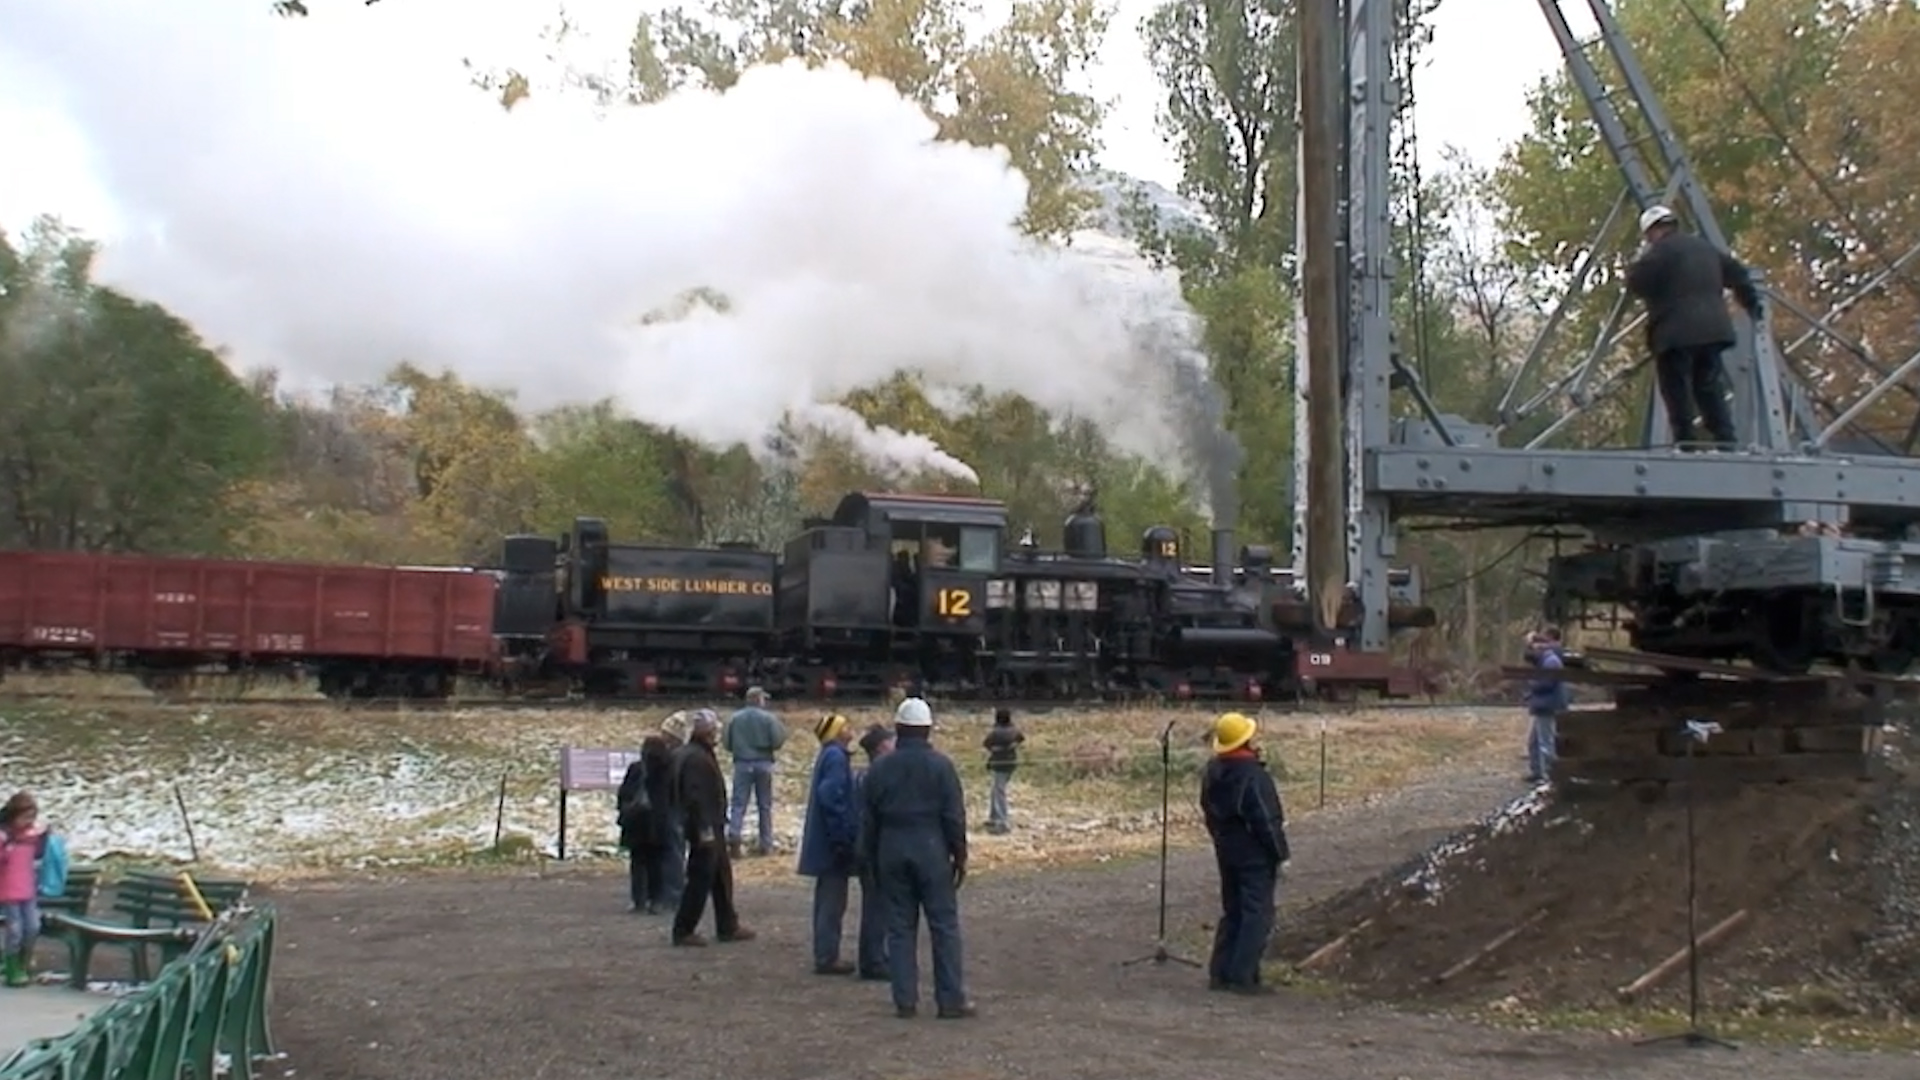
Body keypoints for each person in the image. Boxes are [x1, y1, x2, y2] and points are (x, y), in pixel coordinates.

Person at [860, 697, 974, 1019]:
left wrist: (868, 859)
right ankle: (950, 999)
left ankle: (905, 1000)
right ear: (927, 730)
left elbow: (868, 820)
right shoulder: (942, 765)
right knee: (944, 926)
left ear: (898, 728)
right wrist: (959, 854)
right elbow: (954, 816)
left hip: (891, 847)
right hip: (931, 846)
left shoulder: (880, 767)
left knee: (899, 927)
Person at [1624, 204, 1764, 449]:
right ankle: (1726, 441)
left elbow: (1638, 282)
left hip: (1675, 334)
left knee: (1676, 390)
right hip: (1713, 331)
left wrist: (1633, 268)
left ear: (1652, 232)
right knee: (1708, 387)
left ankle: (1686, 443)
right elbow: (1738, 273)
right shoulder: (1705, 248)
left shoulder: (1661, 252)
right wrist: (1752, 305)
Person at [1200, 712, 1288, 996]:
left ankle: (1221, 972)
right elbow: (1266, 819)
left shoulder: (1213, 771)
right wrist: (1280, 853)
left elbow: (1209, 813)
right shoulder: (1253, 776)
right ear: (1246, 741)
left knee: (1233, 910)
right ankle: (1242, 976)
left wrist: (1220, 840)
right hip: (1254, 854)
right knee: (1257, 913)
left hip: (1225, 849)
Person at [669, 711, 755, 947]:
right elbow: (696, 798)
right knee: (700, 877)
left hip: (708, 825)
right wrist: (704, 829)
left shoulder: (693, 754)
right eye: (714, 730)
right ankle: (684, 929)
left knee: (720, 876)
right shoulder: (697, 759)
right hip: (706, 827)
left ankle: (727, 923)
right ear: (707, 732)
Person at [797, 713, 860, 974]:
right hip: (831, 842)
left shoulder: (828, 755)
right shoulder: (836, 757)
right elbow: (831, 796)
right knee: (833, 901)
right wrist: (842, 836)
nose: (850, 729)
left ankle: (825, 953)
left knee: (827, 899)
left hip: (824, 841)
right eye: (845, 726)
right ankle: (827, 956)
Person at [617, 712, 690, 914]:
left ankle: (640, 899)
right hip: (658, 823)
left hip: (636, 823)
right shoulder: (669, 768)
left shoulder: (636, 769)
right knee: (661, 859)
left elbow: (624, 794)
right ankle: (661, 899)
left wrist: (623, 813)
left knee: (639, 862)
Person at [0, 792, 58, 988]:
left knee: (32, 926)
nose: (28, 822)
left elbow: (38, 854)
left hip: (27, 890)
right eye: (24, 818)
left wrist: (45, 838)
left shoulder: (31, 838)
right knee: (14, 929)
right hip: (8, 891)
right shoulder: (4, 837)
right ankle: (12, 966)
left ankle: (23, 963)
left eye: (32, 818)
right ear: (13, 816)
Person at [723, 686, 789, 857]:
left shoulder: (735, 718)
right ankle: (766, 844)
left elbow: (726, 743)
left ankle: (734, 837)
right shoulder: (769, 719)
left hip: (742, 764)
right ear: (759, 700)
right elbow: (777, 741)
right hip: (764, 763)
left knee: (738, 804)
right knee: (764, 805)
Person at [852, 723, 895, 981]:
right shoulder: (875, 776)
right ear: (881, 747)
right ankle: (873, 960)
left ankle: (875, 956)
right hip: (873, 849)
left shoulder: (866, 775)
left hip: (868, 847)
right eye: (891, 741)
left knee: (876, 906)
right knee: (876, 907)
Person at [1524, 628, 1572, 784]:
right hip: (1543, 704)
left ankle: (1552, 775)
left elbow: (1547, 683)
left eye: (1533, 645)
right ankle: (1538, 772)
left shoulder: (1550, 661)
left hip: (1547, 705)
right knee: (1535, 742)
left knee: (1546, 742)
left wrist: (1532, 684)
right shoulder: (1545, 660)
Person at [981, 706, 1025, 834]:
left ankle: (1001, 821)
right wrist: (1010, 747)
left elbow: (987, 744)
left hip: (999, 764)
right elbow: (1020, 739)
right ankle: (994, 817)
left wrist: (997, 750)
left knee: (999, 792)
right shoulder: (1014, 730)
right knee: (996, 791)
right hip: (1011, 763)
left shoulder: (996, 732)